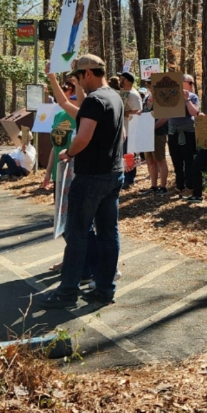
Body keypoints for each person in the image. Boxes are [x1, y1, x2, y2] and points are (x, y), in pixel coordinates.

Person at [39, 54, 125, 309]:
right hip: (113, 175)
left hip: (90, 177)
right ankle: (104, 290)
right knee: (108, 233)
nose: (76, 82)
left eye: (77, 77)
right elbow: (67, 105)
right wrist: (52, 77)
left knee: (77, 234)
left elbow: (84, 136)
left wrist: (69, 152)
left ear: (87, 74)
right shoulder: (112, 98)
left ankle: (67, 293)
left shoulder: (95, 100)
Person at [167, 74, 201, 196]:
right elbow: (160, 114)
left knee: (188, 160)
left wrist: (186, 99)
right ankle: (179, 186)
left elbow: (194, 112)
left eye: (192, 83)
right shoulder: (170, 96)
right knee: (176, 160)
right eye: (190, 82)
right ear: (181, 82)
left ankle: (190, 186)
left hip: (187, 133)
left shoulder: (192, 96)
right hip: (172, 132)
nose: (192, 85)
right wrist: (152, 102)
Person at [117, 72, 142, 189]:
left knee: (129, 154)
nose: (119, 81)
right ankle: (124, 177)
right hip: (123, 129)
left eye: (121, 79)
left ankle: (129, 179)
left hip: (130, 129)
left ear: (127, 81)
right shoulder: (124, 93)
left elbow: (138, 112)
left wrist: (124, 112)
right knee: (124, 153)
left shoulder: (133, 94)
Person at [143, 87, 170, 195]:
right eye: (147, 83)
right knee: (150, 160)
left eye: (151, 83)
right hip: (145, 134)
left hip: (158, 133)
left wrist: (152, 127)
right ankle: (153, 186)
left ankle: (163, 187)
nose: (149, 85)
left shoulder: (161, 99)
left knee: (160, 160)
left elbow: (165, 116)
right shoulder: (146, 98)